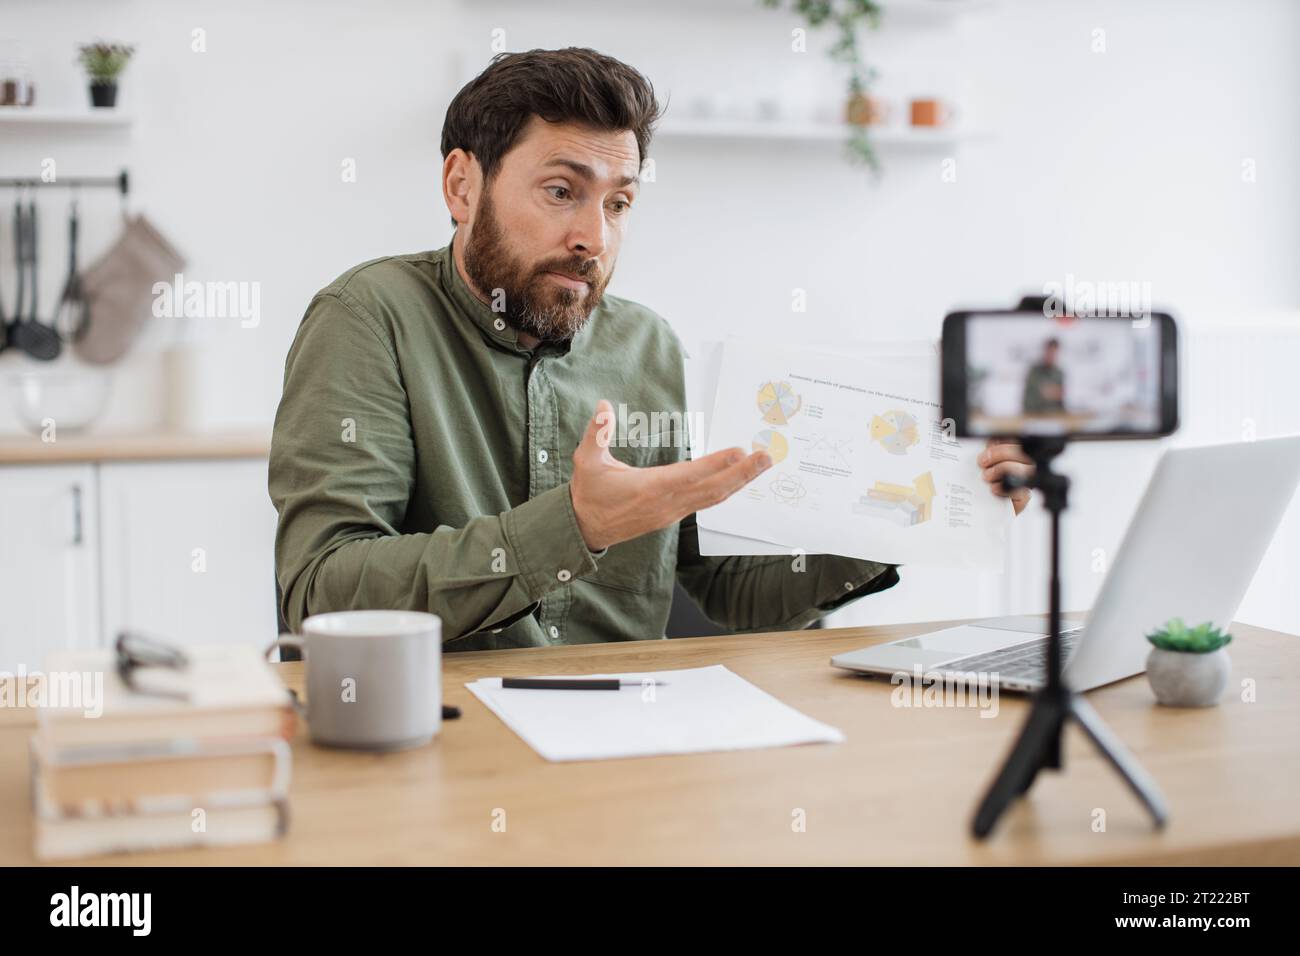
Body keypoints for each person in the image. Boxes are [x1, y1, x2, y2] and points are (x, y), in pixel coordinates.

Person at [268, 48, 1034, 651]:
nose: (592, 239)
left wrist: (923, 500)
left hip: (636, 724)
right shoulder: (369, 317)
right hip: (445, 726)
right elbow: (323, 591)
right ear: (463, 187)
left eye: (620, 203)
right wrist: (575, 524)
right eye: (562, 191)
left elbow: (728, 594)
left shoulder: (647, 346)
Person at [1022, 338, 1067, 414]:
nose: (1051, 355)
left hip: (1055, 416)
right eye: (1049, 351)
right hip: (1034, 415)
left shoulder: (1058, 372)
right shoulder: (1034, 371)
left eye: (1054, 352)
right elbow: (1031, 397)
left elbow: (1060, 396)